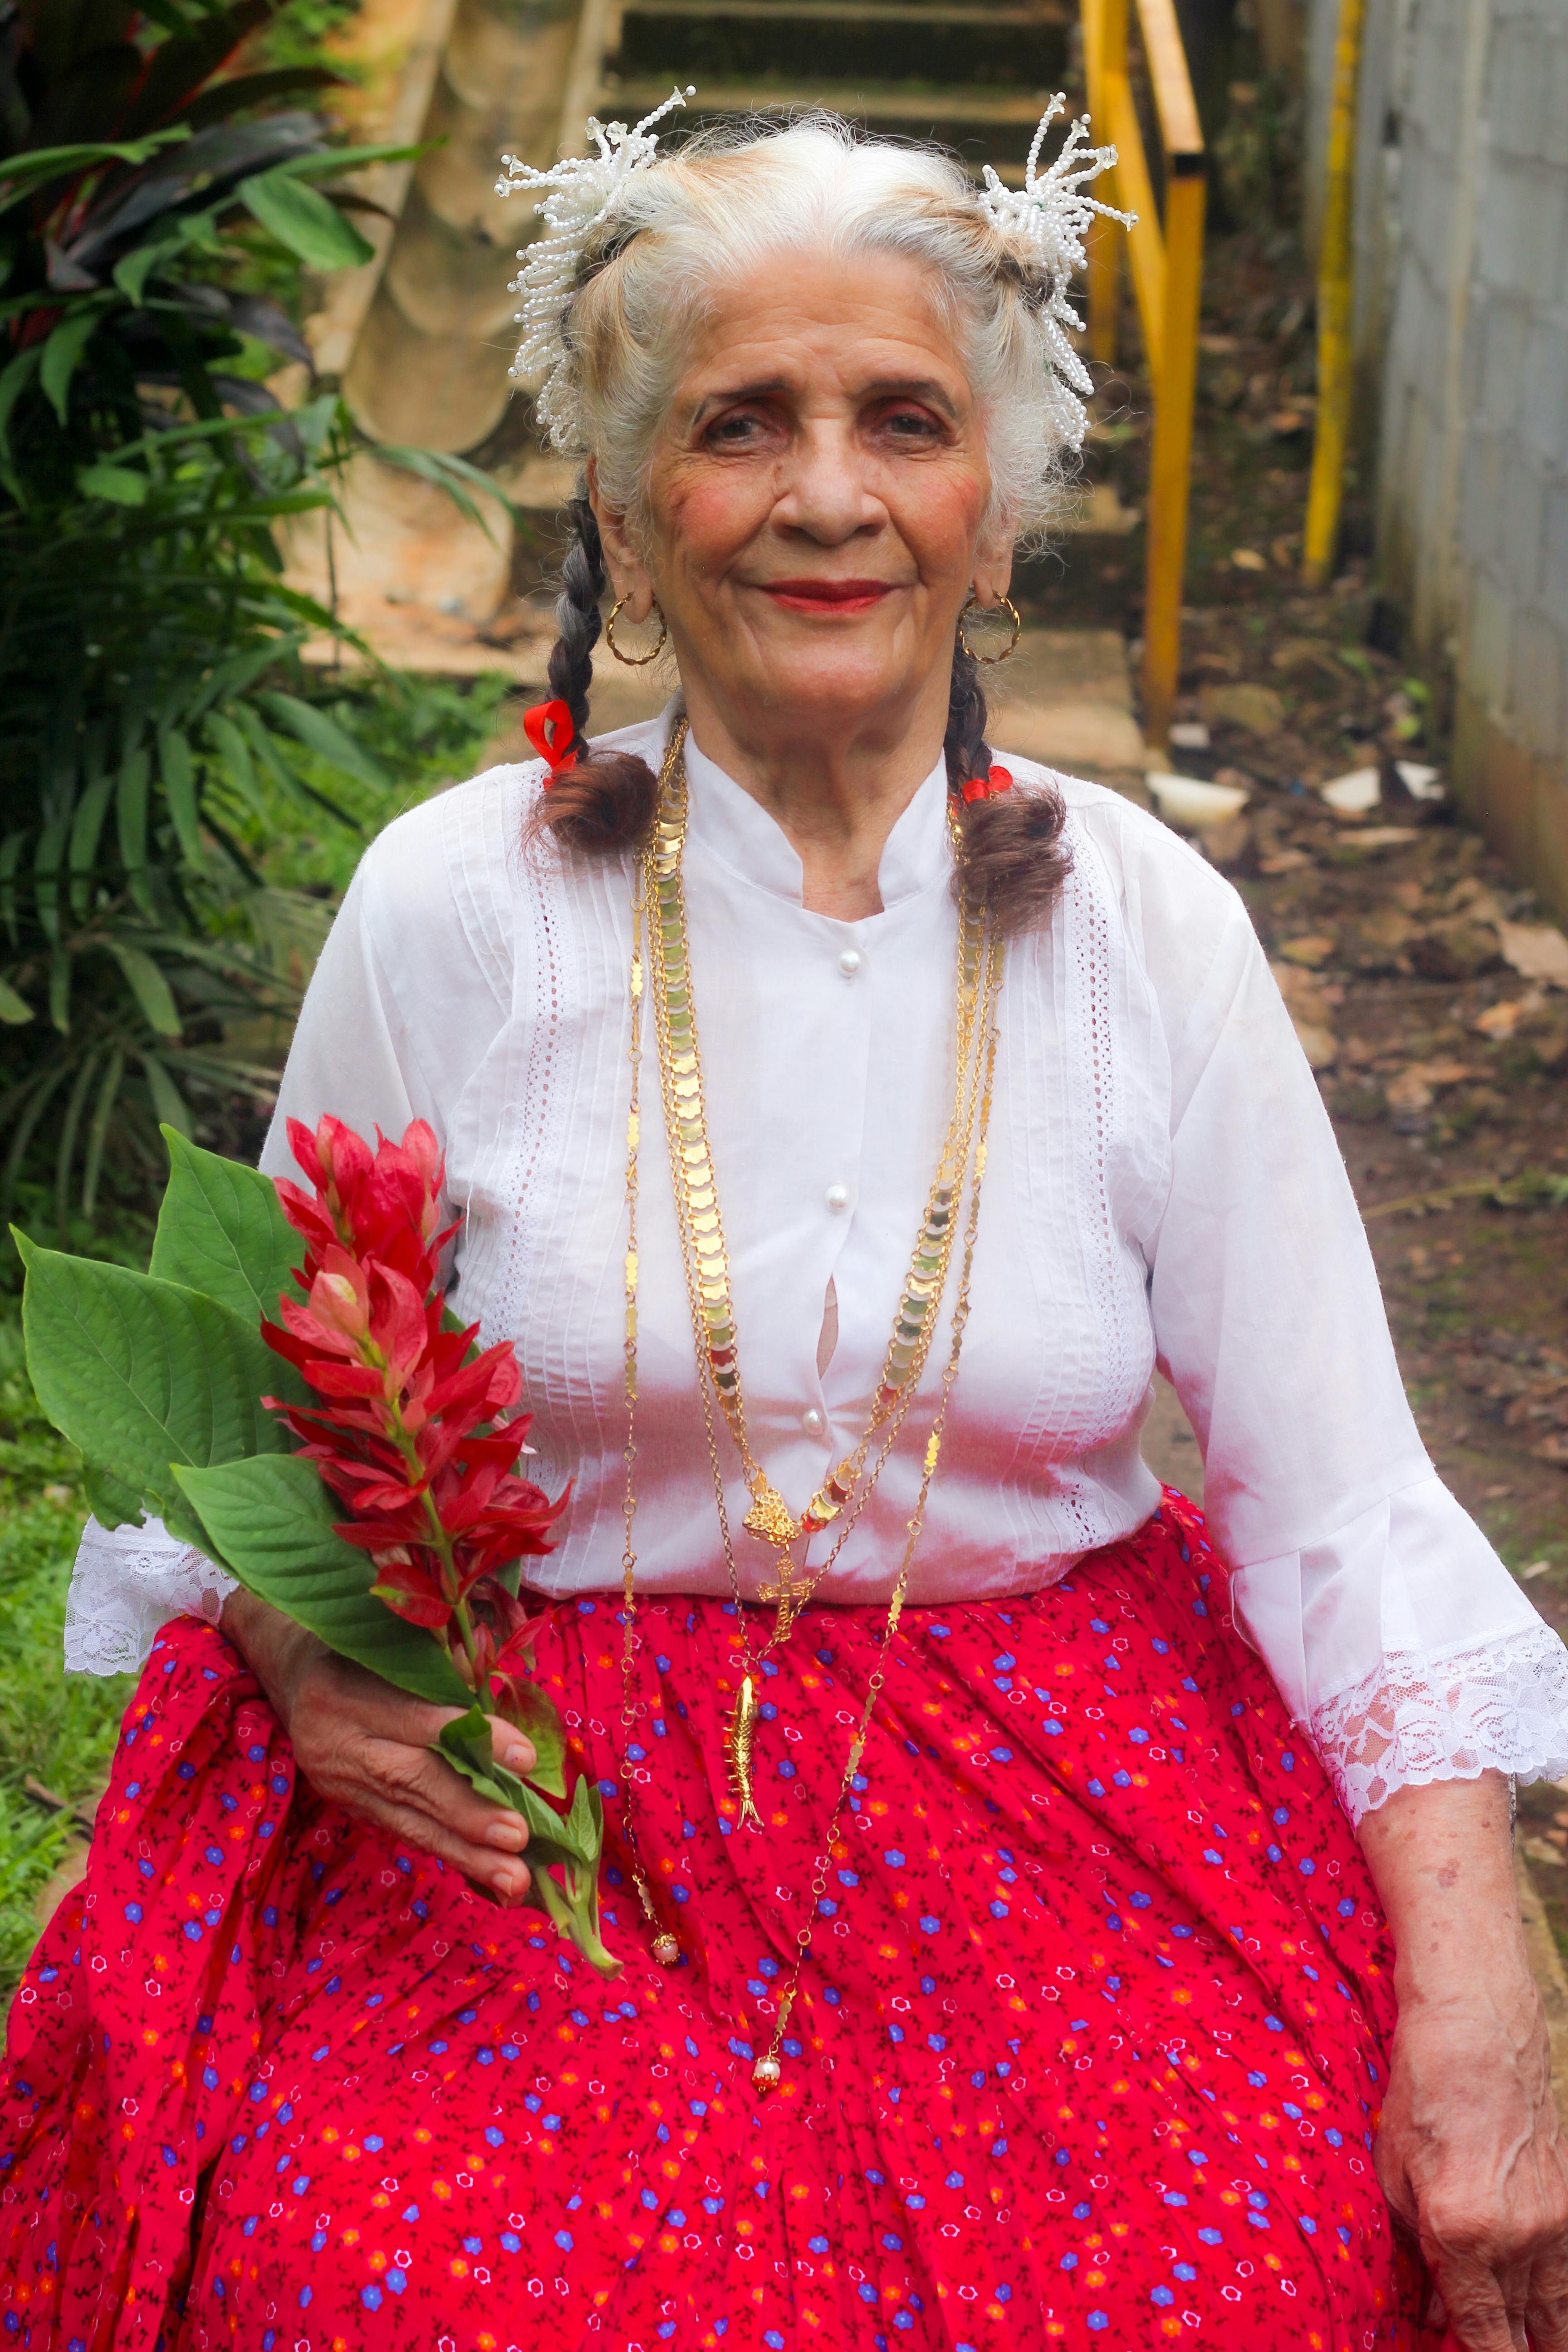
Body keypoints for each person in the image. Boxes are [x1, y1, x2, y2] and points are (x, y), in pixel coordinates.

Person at [5, 96, 1568, 2352]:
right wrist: (303, 1662)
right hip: (530, 1822)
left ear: (995, 504)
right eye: (745, 423)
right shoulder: (462, 907)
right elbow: (262, 1414)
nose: (827, 494)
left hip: (1069, 1807)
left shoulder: (1145, 930)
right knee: (390, 2284)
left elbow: (1338, 1511)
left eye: (901, 420)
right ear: (634, 518)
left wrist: (1482, 1993)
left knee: (1207, 2273)